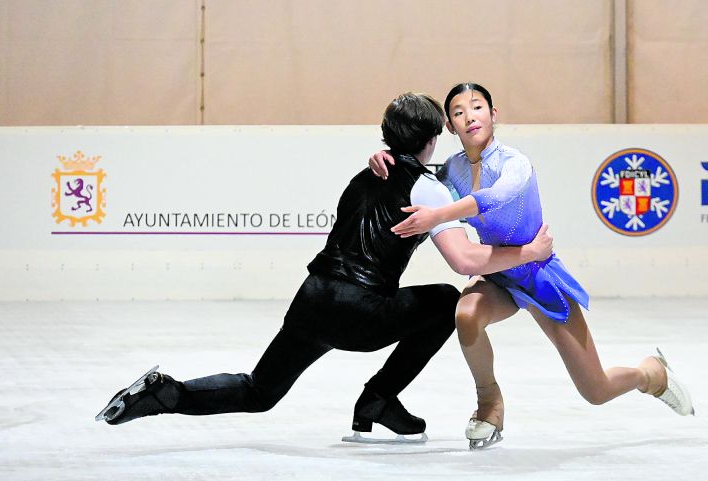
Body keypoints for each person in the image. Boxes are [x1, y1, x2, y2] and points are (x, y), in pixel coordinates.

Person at [95, 92, 554, 444]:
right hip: (361, 312)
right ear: (433, 139)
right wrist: (529, 253)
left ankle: (165, 394)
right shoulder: (427, 189)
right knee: (443, 301)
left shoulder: (365, 175)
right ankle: (377, 400)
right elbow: (464, 262)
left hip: (312, 299)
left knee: (260, 391)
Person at [369, 83, 694, 449]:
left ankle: (650, 373)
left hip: (538, 272)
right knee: (465, 314)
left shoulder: (514, 163)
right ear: (450, 127)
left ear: (493, 115)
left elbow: (496, 197)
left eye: (477, 107)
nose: (469, 116)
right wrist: (385, 158)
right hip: (497, 274)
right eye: (459, 112)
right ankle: (489, 404)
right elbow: (417, 179)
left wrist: (439, 214)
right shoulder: (452, 170)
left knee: (596, 390)